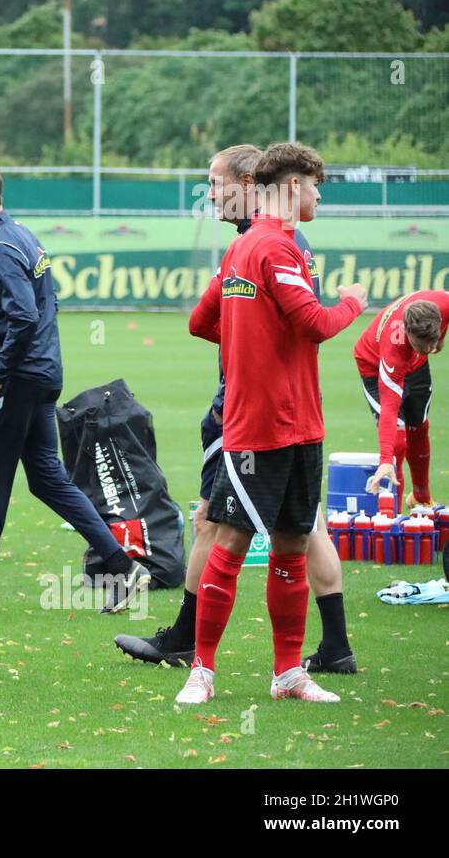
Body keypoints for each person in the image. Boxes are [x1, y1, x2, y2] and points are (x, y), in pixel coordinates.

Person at [116, 145, 357, 674]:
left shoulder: (265, 244)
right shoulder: (272, 244)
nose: (211, 194)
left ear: (251, 183)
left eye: (216, 182)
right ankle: (331, 648)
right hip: (279, 412)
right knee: (298, 526)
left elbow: (304, 325)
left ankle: (190, 647)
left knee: (218, 526)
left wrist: (251, 351)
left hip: (253, 413)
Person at [0, 160, 150, 615]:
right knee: (48, 481)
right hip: (43, 375)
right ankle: (123, 567)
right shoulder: (22, 235)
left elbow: (23, 315)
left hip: (18, 380)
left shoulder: (0, 248)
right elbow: (49, 301)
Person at [179, 142, 367, 705]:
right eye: (314, 186)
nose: (318, 195)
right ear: (290, 187)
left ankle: (288, 673)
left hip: (301, 425)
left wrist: (252, 337)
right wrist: (355, 301)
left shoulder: (250, 246)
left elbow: (202, 321)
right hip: (260, 428)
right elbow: (315, 323)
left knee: (289, 547)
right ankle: (201, 671)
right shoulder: (272, 247)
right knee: (232, 543)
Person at [353, 290, 448, 508]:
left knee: (419, 427)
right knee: (397, 441)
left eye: (430, 343)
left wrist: (439, 339)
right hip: (373, 364)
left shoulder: (444, 304)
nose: (429, 350)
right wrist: (385, 460)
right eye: (421, 345)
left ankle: (421, 497)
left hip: (415, 364)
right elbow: (389, 408)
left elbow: (428, 343)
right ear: (407, 332)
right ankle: (392, 513)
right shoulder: (393, 350)